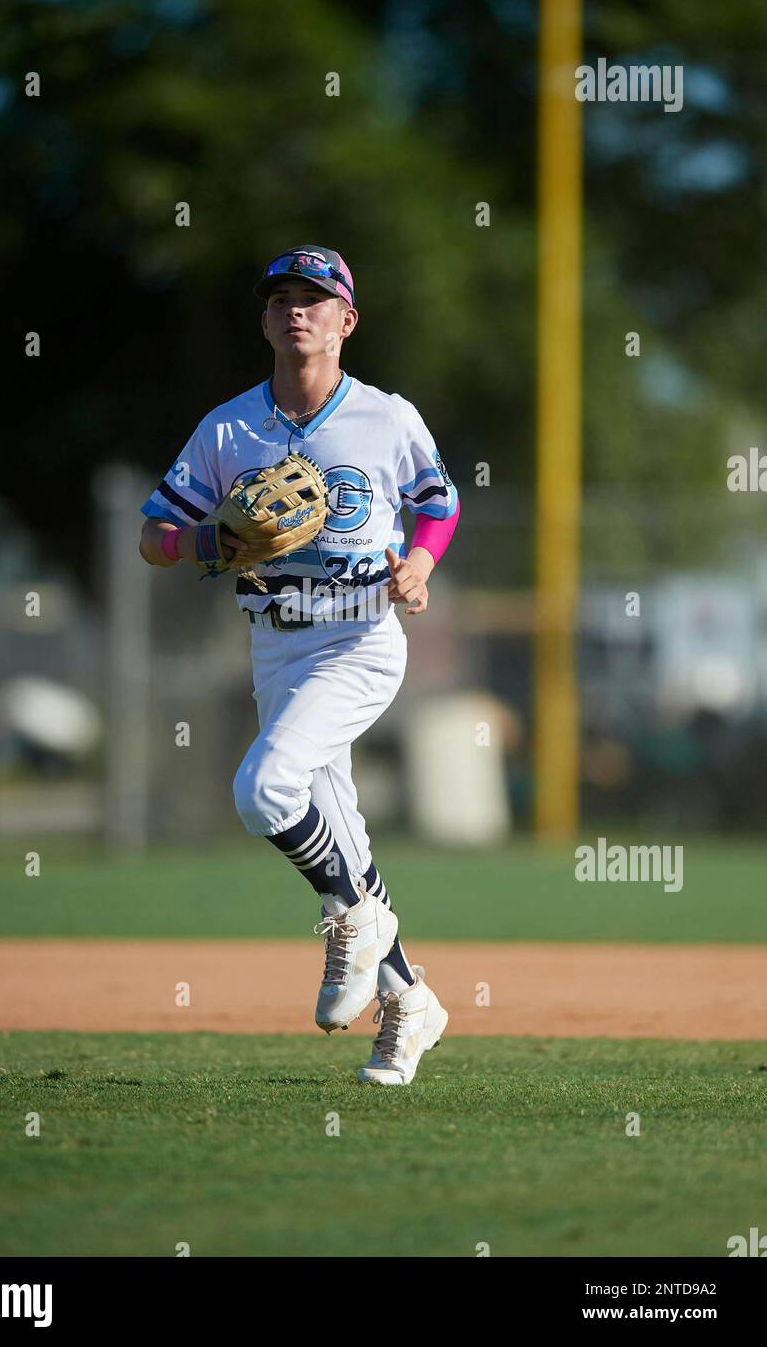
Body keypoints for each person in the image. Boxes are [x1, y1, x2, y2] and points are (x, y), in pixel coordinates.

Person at [139, 246, 460, 1084]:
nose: (297, 310)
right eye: (282, 297)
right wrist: (201, 539)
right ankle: (407, 1004)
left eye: (316, 299)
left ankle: (354, 922)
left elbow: (438, 501)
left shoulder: (385, 418)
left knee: (263, 787)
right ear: (265, 319)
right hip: (275, 643)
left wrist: (419, 566)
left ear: (346, 321)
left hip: (358, 639)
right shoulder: (228, 428)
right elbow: (153, 535)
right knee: (341, 836)